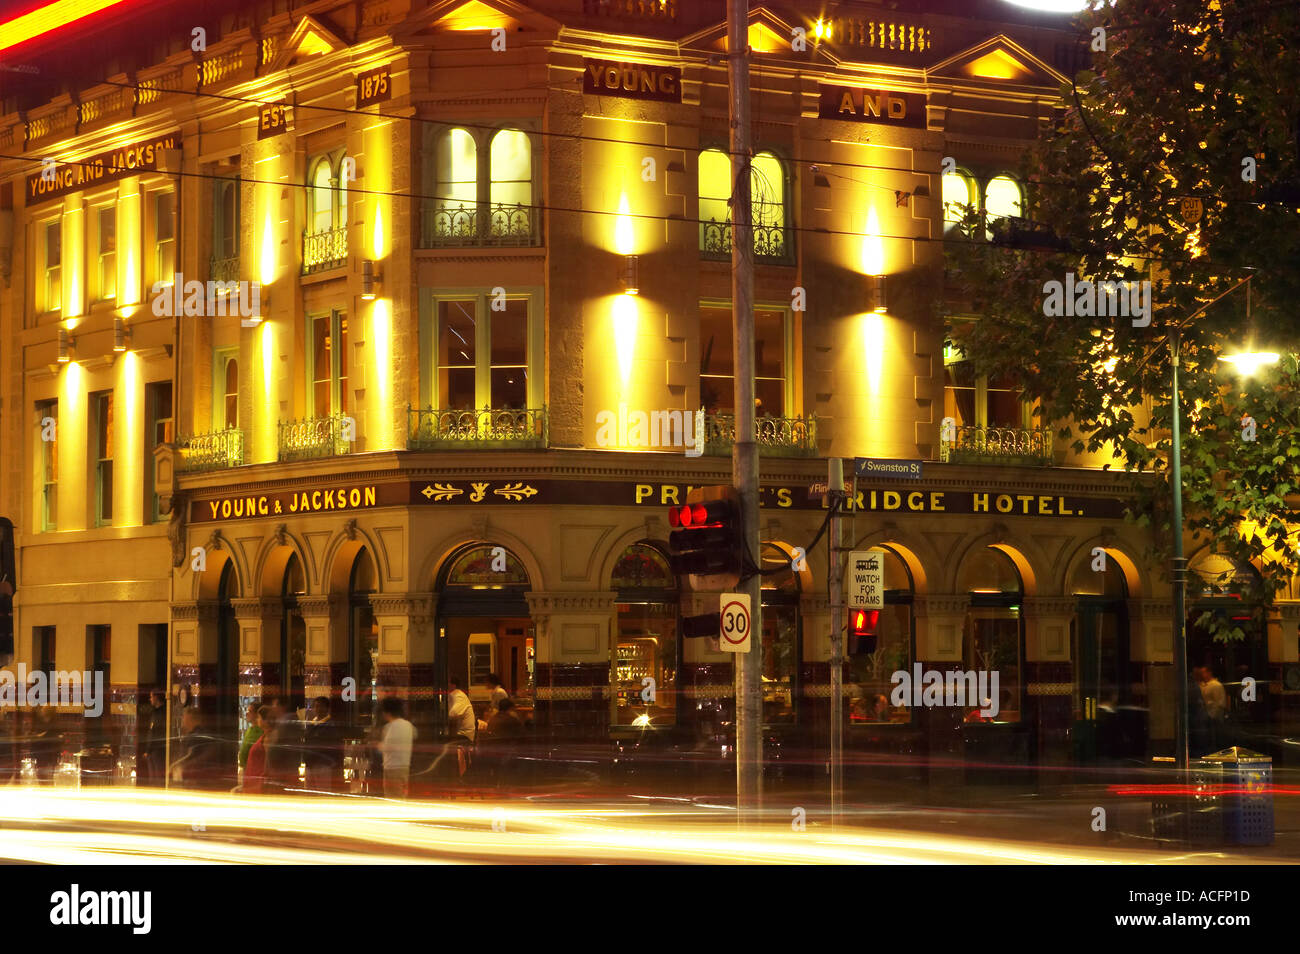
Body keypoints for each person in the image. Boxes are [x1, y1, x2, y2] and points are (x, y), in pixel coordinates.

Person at [432, 678, 477, 780]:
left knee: (439, 743)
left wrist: (440, 715)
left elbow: (454, 713)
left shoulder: (458, 695)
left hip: (464, 735)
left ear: (453, 685)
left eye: (447, 683)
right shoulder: (452, 695)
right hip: (459, 733)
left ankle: (447, 776)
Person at [171, 708, 225, 789]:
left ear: (189, 718)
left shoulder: (199, 736)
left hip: (194, 779)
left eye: (183, 717)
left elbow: (202, 755)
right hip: (189, 776)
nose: (182, 719)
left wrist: (185, 765)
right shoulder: (194, 735)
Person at [302, 696, 345, 792]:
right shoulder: (311, 724)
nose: (318, 709)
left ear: (327, 708)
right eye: (316, 706)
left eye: (320, 706)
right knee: (310, 794)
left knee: (322, 793)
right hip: (310, 765)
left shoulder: (331, 726)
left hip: (323, 765)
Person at [378, 697, 415, 798]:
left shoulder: (390, 727)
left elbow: (387, 747)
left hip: (392, 768)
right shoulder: (408, 725)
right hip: (405, 767)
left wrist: (378, 745)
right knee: (402, 796)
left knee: (392, 797)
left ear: (387, 712)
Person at [242, 706, 273, 794]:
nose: (257, 719)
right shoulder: (264, 735)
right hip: (253, 779)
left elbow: (267, 762)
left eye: (259, 717)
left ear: (265, 720)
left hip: (257, 781)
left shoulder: (268, 738)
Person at [142, 691, 167, 785]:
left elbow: (156, 732)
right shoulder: (155, 712)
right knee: (153, 777)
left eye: (151, 697)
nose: (150, 699)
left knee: (157, 776)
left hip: (158, 749)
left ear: (156, 697)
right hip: (153, 750)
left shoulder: (162, 713)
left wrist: (148, 750)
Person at [237, 702, 264, 783]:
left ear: (257, 714)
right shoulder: (249, 730)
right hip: (246, 772)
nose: (246, 713)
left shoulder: (261, 732)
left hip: (255, 775)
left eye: (250, 711)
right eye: (247, 711)